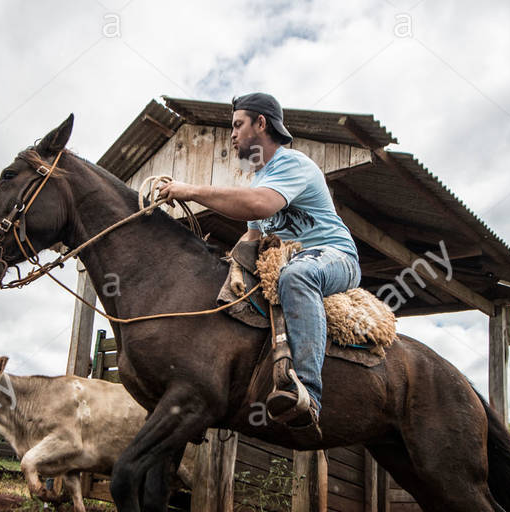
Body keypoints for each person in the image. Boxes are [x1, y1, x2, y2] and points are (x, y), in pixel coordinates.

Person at [153, 92, 361, 430]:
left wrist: (190, 191)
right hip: (291, 260)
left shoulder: (292, 164)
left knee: (297, 276)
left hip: (333, 257)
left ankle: (307, 389)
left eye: (237, 125)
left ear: (261, 124)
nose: (232, 135)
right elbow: (251, 236)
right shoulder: (259, 179)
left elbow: (259, 205)